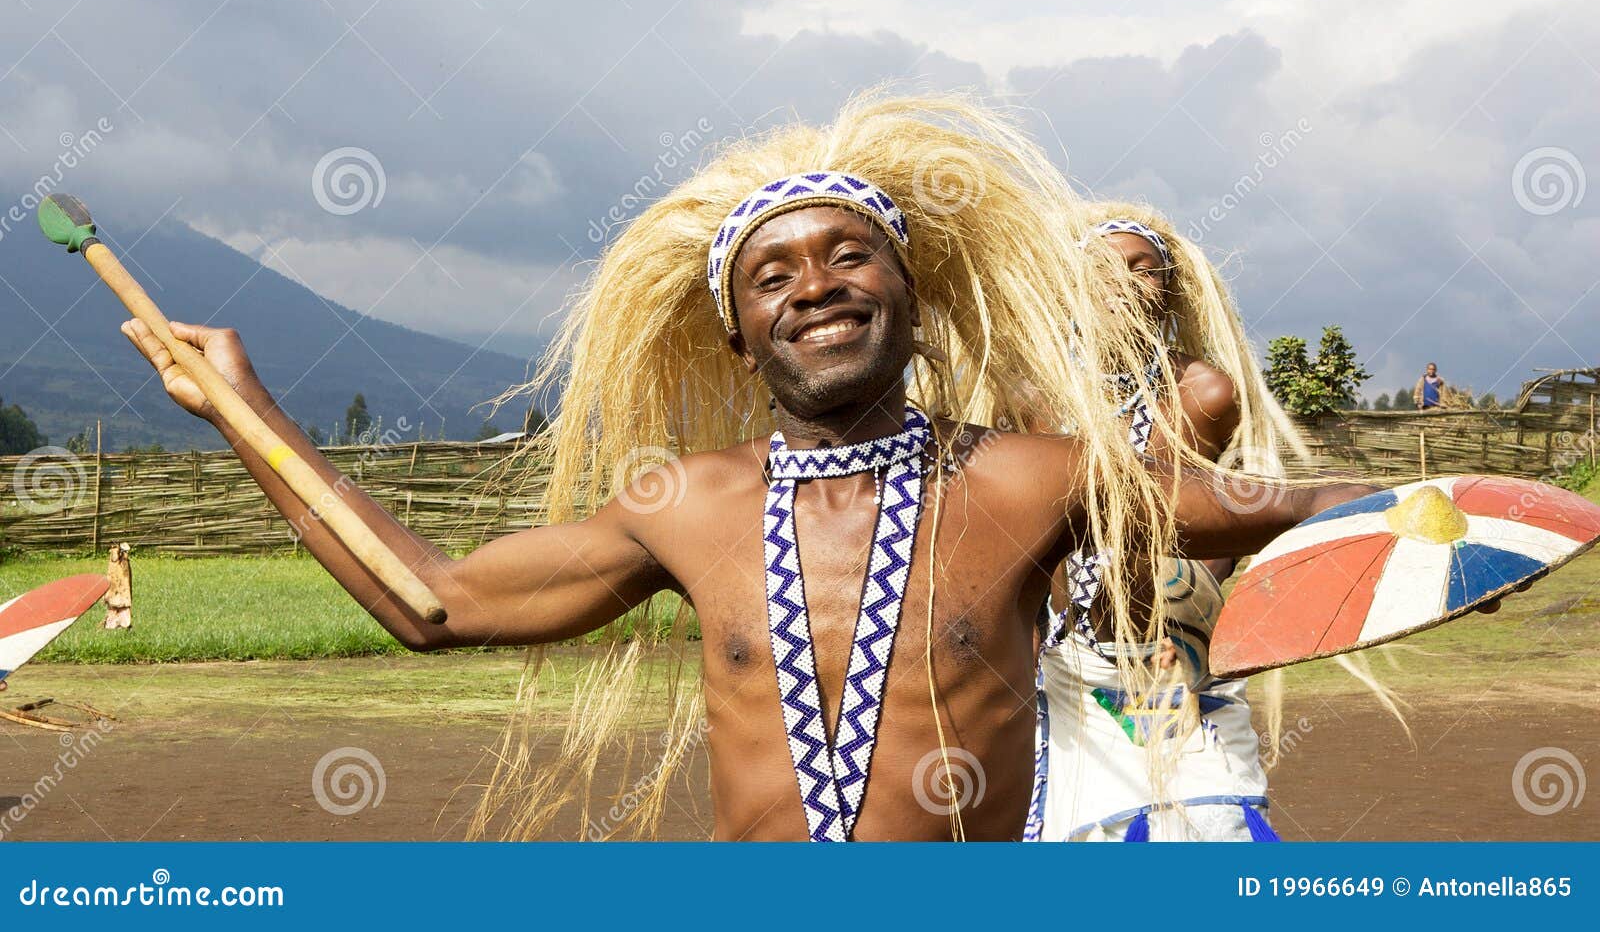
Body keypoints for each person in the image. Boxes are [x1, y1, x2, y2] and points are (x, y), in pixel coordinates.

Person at [122, 95, 1371, 840]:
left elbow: (1231, 510)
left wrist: (1444, 516)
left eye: (849, 257)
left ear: (912, 300)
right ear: (737, 330)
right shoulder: (688, 504)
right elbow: (432, 602)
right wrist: (241, 409)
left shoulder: (1026, 477)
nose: (815, 285)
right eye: (772, 274)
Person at [1034, 205, 1307, 842]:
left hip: (1169, 645)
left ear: (1168, 291)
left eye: (1143, 270)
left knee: (1208, 821)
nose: (1124, 283)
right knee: (1078, 831)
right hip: (1067, 651)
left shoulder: (1200, 391)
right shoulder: (1038, 393)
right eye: (1102, 271)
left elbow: (1192, 515)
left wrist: (1182, 629)